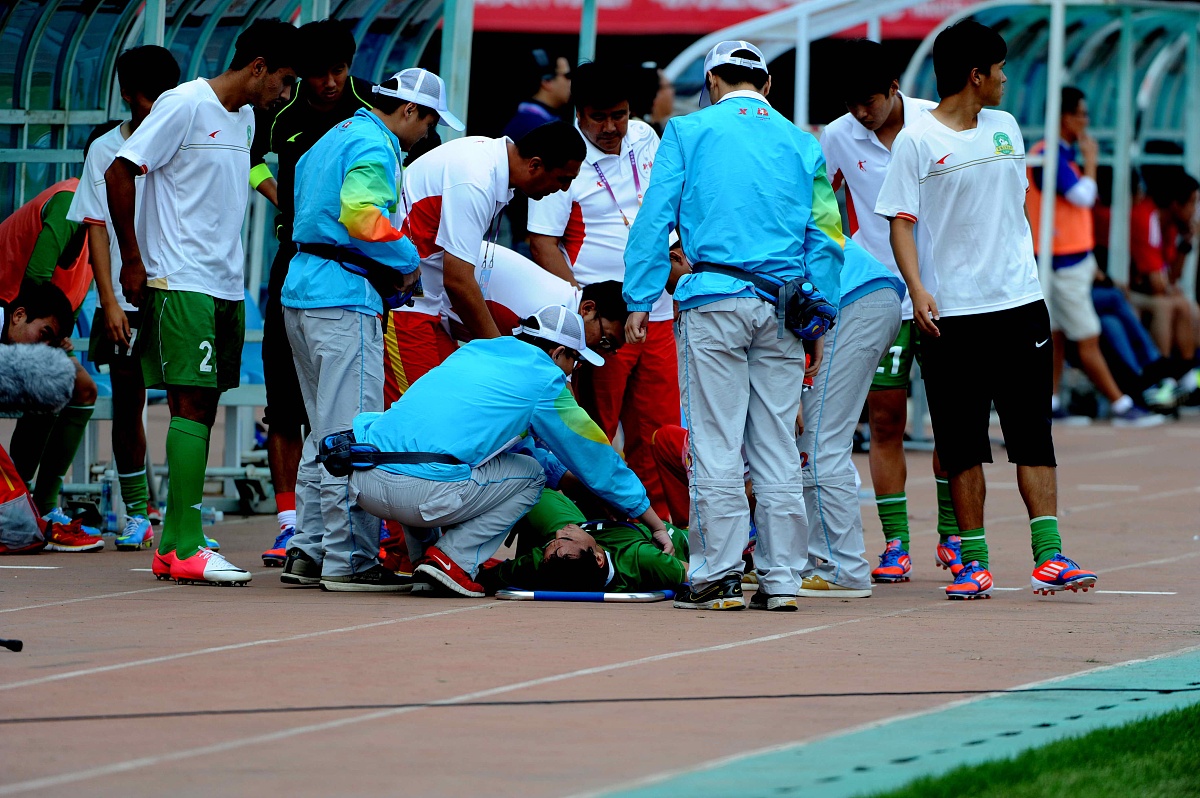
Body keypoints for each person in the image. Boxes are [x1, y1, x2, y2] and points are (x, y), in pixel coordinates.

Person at [875, 20, 1097, 600]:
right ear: (976, 75)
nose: (1004, 79)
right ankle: (973, 562)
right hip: (953, 316)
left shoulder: (1006, 126)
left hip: (1021, 306)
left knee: (1033, 437)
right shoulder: (917, 141)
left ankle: (1049, 555)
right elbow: (902, 222)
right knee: (962, 442)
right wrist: (918, 289)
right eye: (998, 70)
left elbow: (1007, 213)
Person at [623, 41, 845, 611]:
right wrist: (820, 309)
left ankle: (717, 575)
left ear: (714, 82)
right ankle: (782, 580)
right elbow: (826, 234)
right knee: (775, 444)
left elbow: (655, 216)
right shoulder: (802, 141)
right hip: (784, 308)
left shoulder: (687, 131)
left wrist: (640, 298)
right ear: (766, 86)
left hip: (714, 299)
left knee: (716, 442)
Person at [106, 19, 300, 586]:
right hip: (180, 278)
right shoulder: (184, 103)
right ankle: (187, 545)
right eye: (283, 82)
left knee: (205, 405)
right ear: (258, 67)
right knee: (190, 404)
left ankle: (172, 546)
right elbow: (122, 172)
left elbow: (243, 171)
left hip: (224, 283)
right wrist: (133, 261)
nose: (284, 95)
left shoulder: (243, 118)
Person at [349, 305, 669, 597]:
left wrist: (576, 482)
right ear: (558, 353)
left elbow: (514, 451)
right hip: (420, 492)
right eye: (574, 362)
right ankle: (453, 559)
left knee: (436, 456)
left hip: (366, 482)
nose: (571, 373)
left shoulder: (477, 351)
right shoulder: (544, 377)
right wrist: (652, 521)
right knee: (531, 476)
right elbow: (596, 455)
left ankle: (426, 562)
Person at [278, 69, 454, 592]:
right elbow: (360, 215)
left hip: (302, 289)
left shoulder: (331, 135)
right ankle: (350, 559)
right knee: (351, 435)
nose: (427, 134)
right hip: (343, 299)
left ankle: (308, 552)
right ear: (409, 112)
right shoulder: (375, 146)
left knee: (320, 431)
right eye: (428, 122)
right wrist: (407, 260)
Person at [819, 38, 960, 585]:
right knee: (884, 420)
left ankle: (953, 537)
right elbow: (822, 210)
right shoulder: (836, 135)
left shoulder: (934, 123)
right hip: (879, 299)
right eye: (852, 104)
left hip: (945, 297)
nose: (860, 113)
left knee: (952, 423)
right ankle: (895, 542)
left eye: (870, 103)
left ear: (894, 88)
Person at [249, 19, 374, 567]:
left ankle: (337, 534)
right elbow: (250, 161)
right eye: (317, 73)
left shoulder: (370, 107)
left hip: (355, 270)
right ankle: (292, 525)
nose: (327, 83)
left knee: (346, 408)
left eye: (337, 71)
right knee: (287, 398)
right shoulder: (282, 107)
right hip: (295, 264)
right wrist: (282, 199)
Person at [528, 61, 677, 521]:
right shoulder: (565, 154)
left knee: (659, 432)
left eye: (621, 114)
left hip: (660, 311)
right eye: (599, 117)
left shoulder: (648, 138)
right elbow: (543, 243)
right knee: (595, 432)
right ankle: (601, 523)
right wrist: (583, 318)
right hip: (604, 324)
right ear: (579, 112)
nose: (612, 127)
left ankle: (665, 530)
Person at [66, 45, 181, 552]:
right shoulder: (104, 150)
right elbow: (95, 228)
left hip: (179, 290)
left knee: (187, 402)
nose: (156, 107)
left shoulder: (186, 141)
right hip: (126, 298)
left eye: (164, 97)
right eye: (146, 98)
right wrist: (108, 301)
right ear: (127, 96)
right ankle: (138, 512)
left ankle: (182, 513)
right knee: (129, 401)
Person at [384, 121, 585, 401]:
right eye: (563, 179)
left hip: (425, 305)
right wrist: (502, 355)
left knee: (451, 403)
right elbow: (457, 280)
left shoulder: (491, 162)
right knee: (420, 415)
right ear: (535, 165)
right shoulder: (477, 178)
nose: (563, 190)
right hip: (404, 305)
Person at [1028, 86, 1161, 428]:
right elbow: (1083, 196)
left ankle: (1052, 400)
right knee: (1086, 335)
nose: (1086, 121)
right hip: (1060, 261)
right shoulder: (1050, 155)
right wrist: (1090, 163)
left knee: (1057, 335)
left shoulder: (1061, 154)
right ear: (1065, 117)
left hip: (1068, 260)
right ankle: (1120, 405)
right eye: (1082, 114)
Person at [795, 239, 904, 599]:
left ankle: (842, 567)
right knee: (810, 439)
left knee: (819, 440)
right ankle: (809, 562)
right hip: (856, 294)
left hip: (851, 299)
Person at [0, 178, 100, 534]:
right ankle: (17, 501)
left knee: (83, 388)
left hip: (30, 325)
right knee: (51, 377)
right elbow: (35, 282)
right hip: (9, 314)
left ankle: (37, 502)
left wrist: (55, 342)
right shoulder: (71, 201)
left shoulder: (103, 224)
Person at [0, 281, 104, 553]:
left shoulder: (26, 340)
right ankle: (21, 510)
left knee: (68, 385)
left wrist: (57, 350)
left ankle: (38, 507)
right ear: (19, 315)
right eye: (43, 334)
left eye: (52, 341)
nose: (44, 347)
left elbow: (85, 388)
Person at [477, 488, 687, 594]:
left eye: (555, 542)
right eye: (564, 538)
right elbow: (700, 573)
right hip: (673, 537)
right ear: (598, 558)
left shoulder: (538, 563)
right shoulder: (645, 559)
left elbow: (481, 579)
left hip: (586, 528)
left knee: (535, 492)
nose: (559, 534)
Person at [449, 241, 628, 350]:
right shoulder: (548, 319)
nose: (603, 351)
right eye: (606, 341)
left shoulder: (566, 308)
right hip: (430, 289)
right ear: (588, 309)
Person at [1129, 170, 1200, 400]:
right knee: (1167, 305)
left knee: (1188, 306)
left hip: (1148, 289)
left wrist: (1186, 243)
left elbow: (1170, 278)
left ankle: (1186, 375)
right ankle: (1163, 377)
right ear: (1174, 204)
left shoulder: (1170, 224)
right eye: (1191, 203)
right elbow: (1158, 286)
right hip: (1127, 290)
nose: (1194, 211)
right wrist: (1168, 287)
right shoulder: (1146, 217)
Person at [502, 50, 572, 252]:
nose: (570, 83)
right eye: (566, 76)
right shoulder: (537, 127)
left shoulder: (527, 119)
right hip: (534, 242)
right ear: (547, 81)